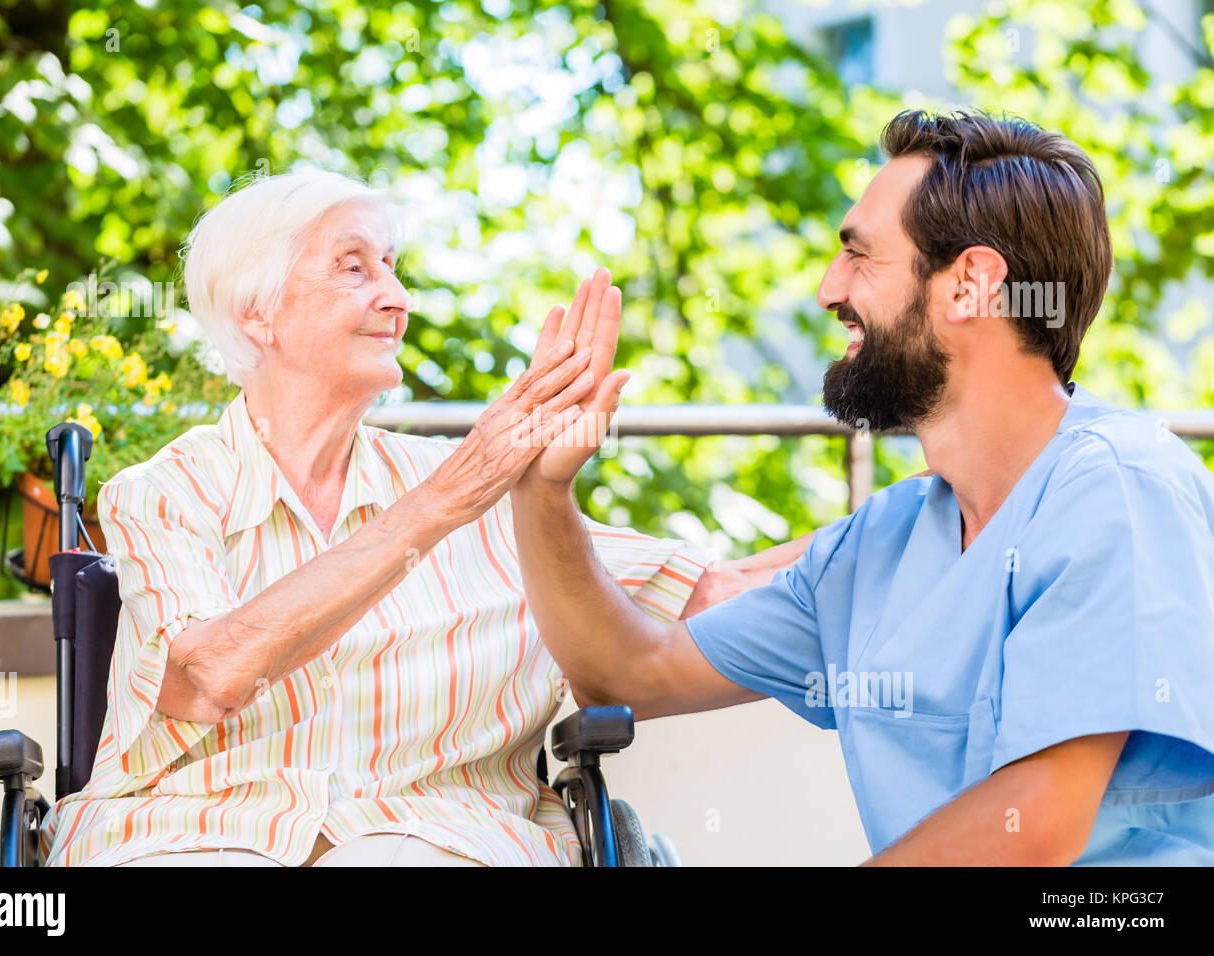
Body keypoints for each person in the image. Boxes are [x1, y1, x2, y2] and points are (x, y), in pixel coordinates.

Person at [39, 168, 804, 867]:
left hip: (435, 833)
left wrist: (912, 513)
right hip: (194, 832)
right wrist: (446, 501)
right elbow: (209, 676)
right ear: (258, 313)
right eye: (354, 266)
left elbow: (709, 590)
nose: (396, 296)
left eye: (393, 266)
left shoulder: (494, 492)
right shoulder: (165, 493)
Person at [510, 109, 1214, 865]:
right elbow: (628, 672)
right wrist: (542, 492)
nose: (826, 289)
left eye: (859, 256)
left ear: (971, 282)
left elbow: (1036, 822)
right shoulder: (883, 542)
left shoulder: (1119, 485)